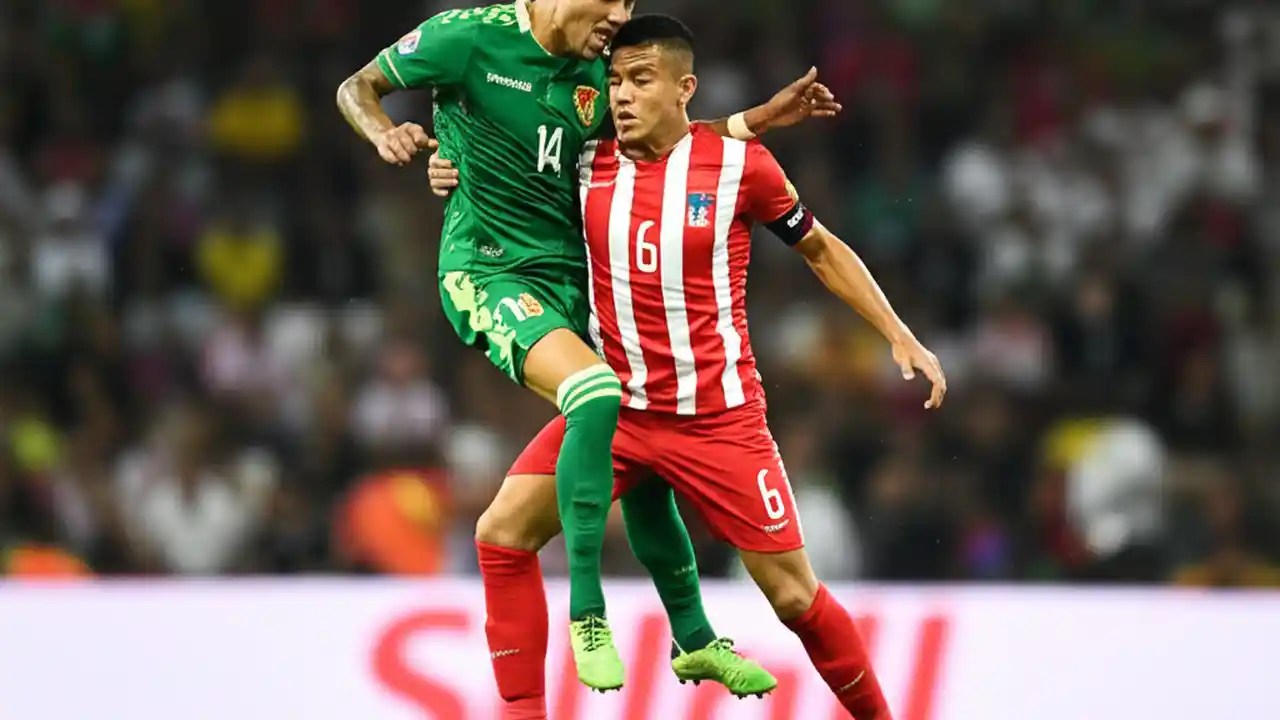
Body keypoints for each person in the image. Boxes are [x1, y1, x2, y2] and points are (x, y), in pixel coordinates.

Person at [431, 14, 947, 719]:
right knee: (500, 534)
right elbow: (506, 164)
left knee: (794, 595)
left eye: (641, 80)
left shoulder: (741, 167)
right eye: (615, 81)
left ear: (684, 88)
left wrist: (897, 332)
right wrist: (448, 166)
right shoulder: (588, 159)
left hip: (719, 419)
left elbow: (821, 249)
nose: (621, 95)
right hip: (617, 410)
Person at [336, 0, 840, 697]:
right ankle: (587, 611)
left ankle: (694, 639)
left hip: (577, 285)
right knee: (597, 392)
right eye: (612, 1)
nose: (620, 15)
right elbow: (356, 86)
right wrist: (386, 133)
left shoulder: (601, 72)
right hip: (492, 272)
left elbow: (667, 138)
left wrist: (756, 120)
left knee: (641, 437)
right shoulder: (468, 38)